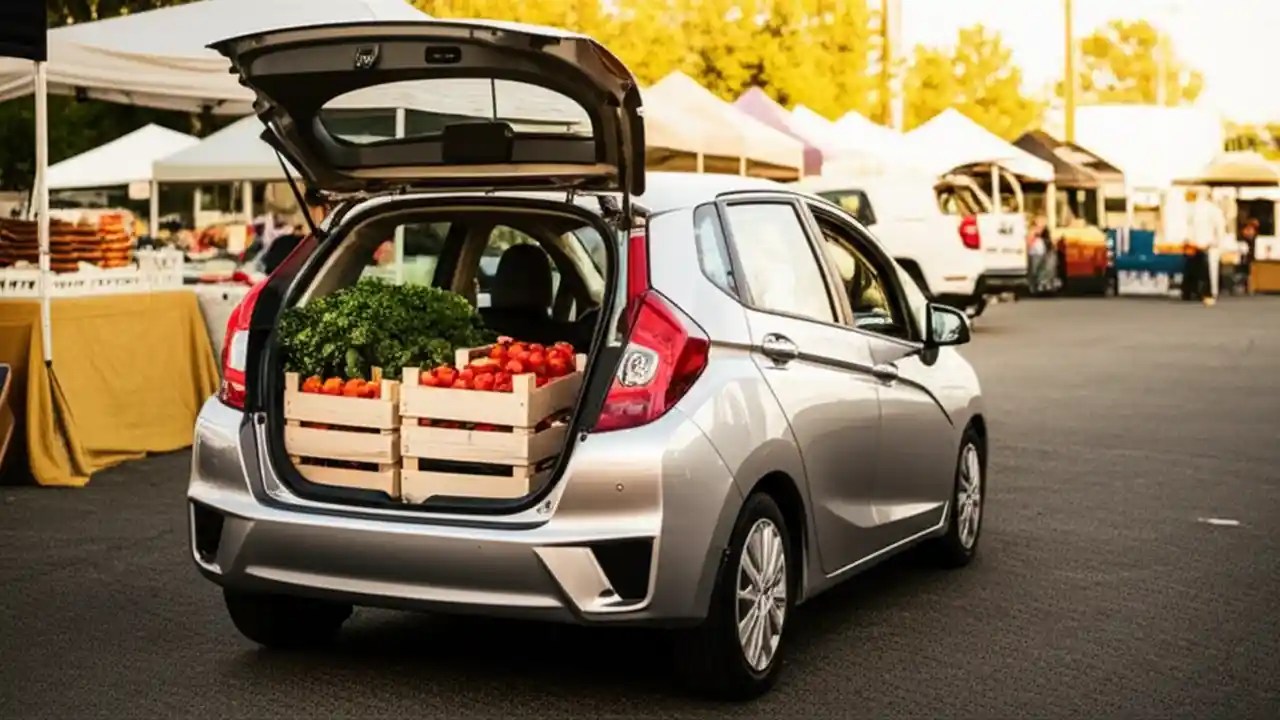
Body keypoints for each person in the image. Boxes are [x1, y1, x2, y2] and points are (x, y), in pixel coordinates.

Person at [1182, 188, 1225, 305]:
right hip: (1207, 244)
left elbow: (1189, 226)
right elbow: (1220, 229)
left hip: (1197, 244)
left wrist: (1189, 241)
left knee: (1195, 269)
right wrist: (1216, 243)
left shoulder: (1195, 209)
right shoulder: (1214, 210)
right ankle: (1209, 293)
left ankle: (1192, 292)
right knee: (1209, 270)